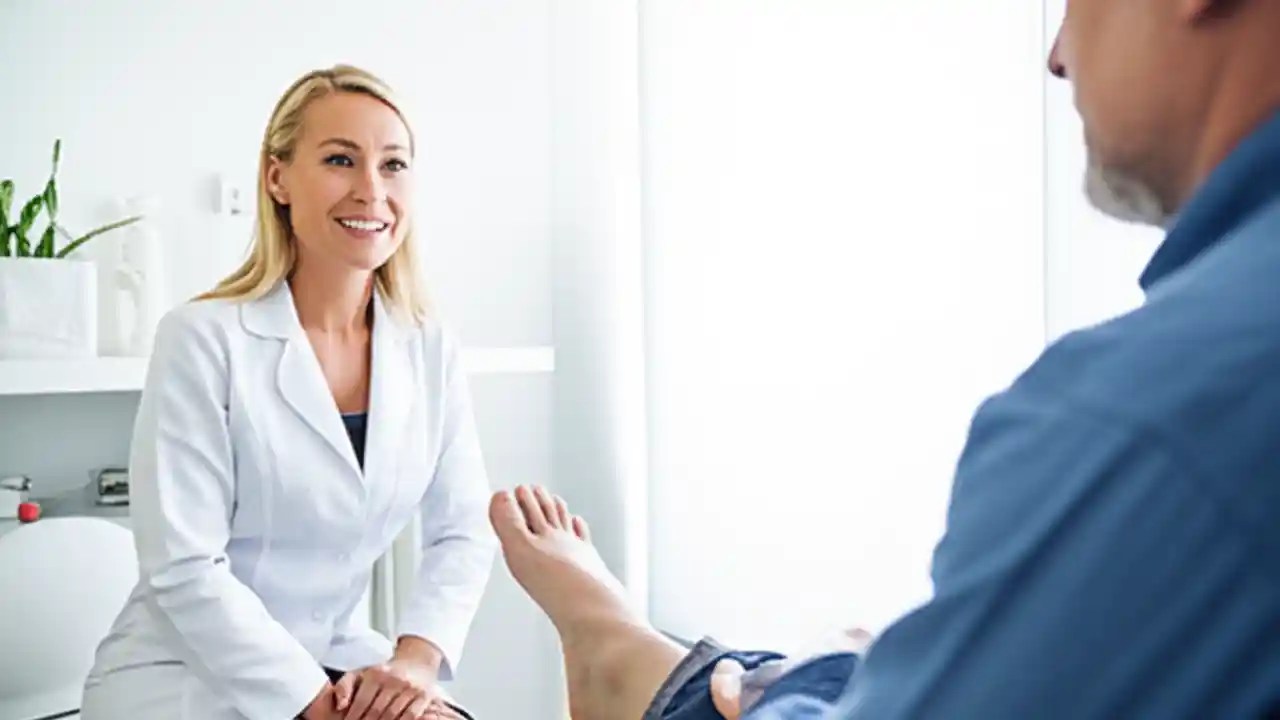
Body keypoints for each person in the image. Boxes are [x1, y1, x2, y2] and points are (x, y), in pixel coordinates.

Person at [488, 0, 1280, 717]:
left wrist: (823, 678)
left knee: (804, 681)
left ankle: (644, 670)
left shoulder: (1140, 423)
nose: (1058, 53)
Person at [80, 65, 494, 720]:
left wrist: (414, 661)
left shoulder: (426, 346)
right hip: (188, 675)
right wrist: (318, 707)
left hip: (343, 657)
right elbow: (186, 567)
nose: (371, 191)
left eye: (393, 165)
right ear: (277, 178)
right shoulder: (202, 338)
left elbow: (464, 530)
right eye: (339, 160)